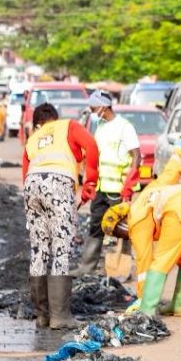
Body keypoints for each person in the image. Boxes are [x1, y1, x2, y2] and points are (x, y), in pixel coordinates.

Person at [101, 149, 181, 317]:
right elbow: (168, 175)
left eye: (118, 233)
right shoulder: (148, 192)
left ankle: (147, 309)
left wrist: (141, 298)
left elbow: (144, 262)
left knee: (161, 260)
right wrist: (177, 155)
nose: (124, 237)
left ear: (121, 223)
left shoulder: (136, 218)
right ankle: (177, 305)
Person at [21, 102, 99, 329]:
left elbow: (25, 172)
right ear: (55, 117)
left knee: (39, 249)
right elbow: (91, 146)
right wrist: (90, 181)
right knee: (61, 248)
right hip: (58, 184)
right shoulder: (68, 126)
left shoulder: (33, 139)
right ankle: (60, 316)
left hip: (32, 186)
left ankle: (42, 315)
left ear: (38, 122)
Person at [76, 90, 140, 276]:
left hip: (119, 190)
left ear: (103, 107)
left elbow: (136, 155)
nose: (93, 112)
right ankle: (87, 267)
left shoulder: (124, 127)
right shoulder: (101, 127)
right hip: (101, 188)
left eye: (94, 108)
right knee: (96, 227)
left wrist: (128, 185)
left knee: (121, 230)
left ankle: (123, 269)